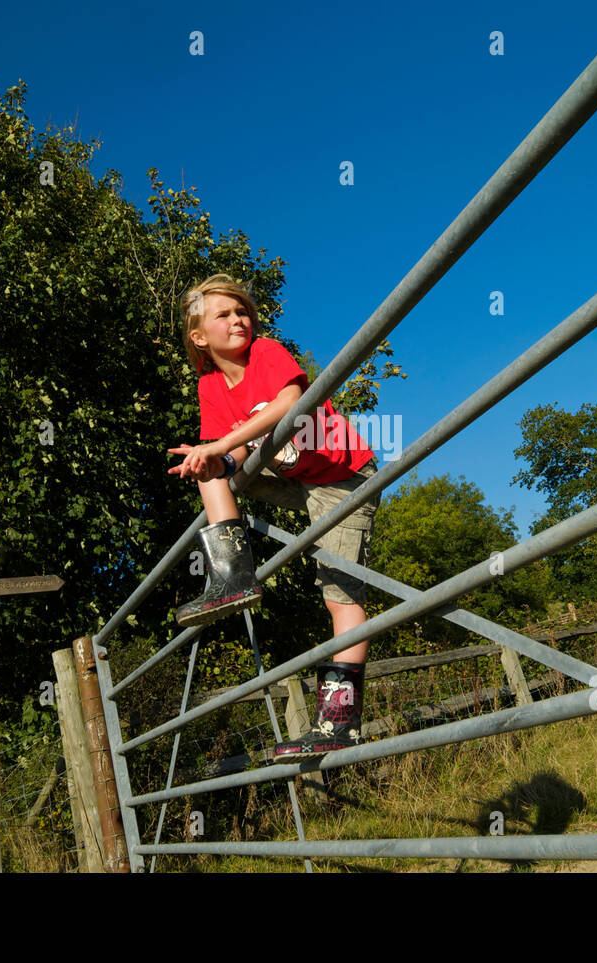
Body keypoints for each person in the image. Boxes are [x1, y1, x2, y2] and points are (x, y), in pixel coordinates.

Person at [168, 274, 379, 759]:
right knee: (209, 468)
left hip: (342, 476)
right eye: (223, 314)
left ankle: (338, 722)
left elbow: (288, 405)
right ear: (199, 336)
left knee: (340, 598)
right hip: (295, 480)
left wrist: (220, 445)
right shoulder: (210, 384)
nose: (238, 319)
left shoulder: (266, 352)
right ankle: (234, 573)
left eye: (242, 311)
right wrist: (213, 456)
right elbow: (235, 450)